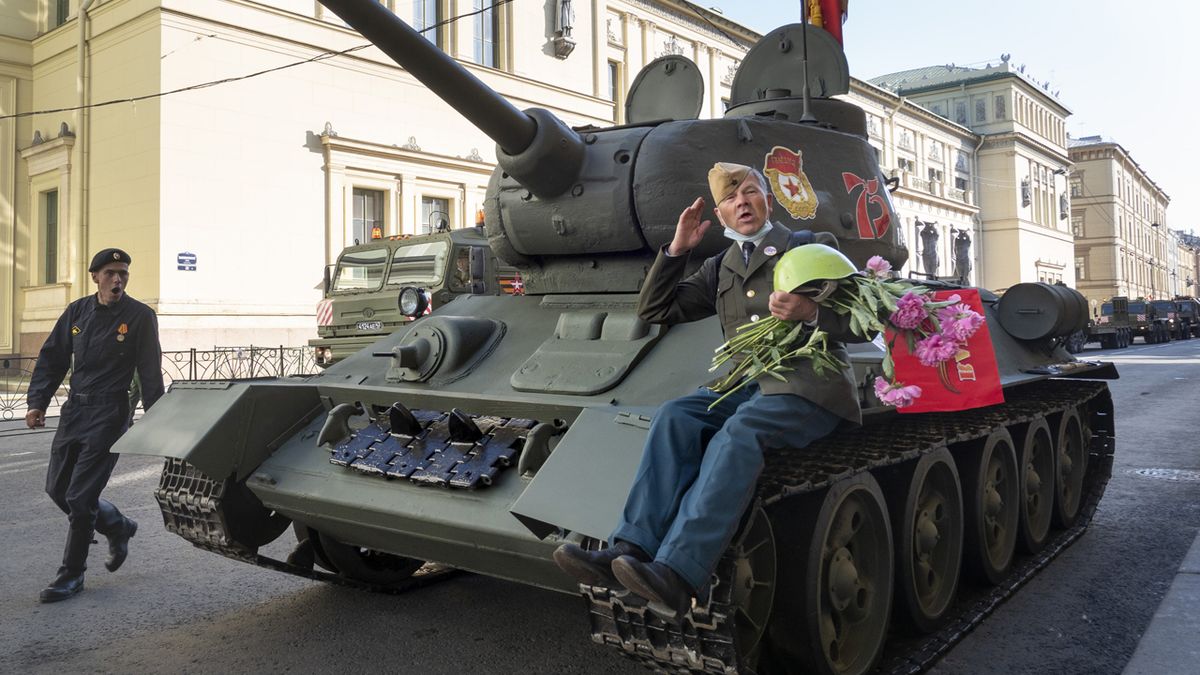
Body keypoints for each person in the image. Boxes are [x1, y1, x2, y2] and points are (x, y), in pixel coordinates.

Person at [553, 163, 866, 618]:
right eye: (730, 200)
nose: (742, 203)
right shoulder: (721, 266)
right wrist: (677, 250)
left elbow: (862, 322)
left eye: (750, 193)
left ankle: (678, 573)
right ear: (720, 216)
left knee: (739, 433)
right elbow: (655, 309)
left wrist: (810, 312)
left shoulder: (808, 246)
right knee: (675, 416)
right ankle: (631, 549)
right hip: (744, 385)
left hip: (805, 386)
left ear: (768, 201)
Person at [25, 247, 165, 603]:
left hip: (109, 414)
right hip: (75, 411)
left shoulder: (140, 316)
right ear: (95, 277)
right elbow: (53, 357)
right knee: (58, 489)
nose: (117, 279)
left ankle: (71, 575)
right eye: (110, 273)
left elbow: (150, 371)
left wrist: (158, 419)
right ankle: (118, 525)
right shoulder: (77, 312)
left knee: (80, 496)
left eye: (123, 273)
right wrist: (37, 402)